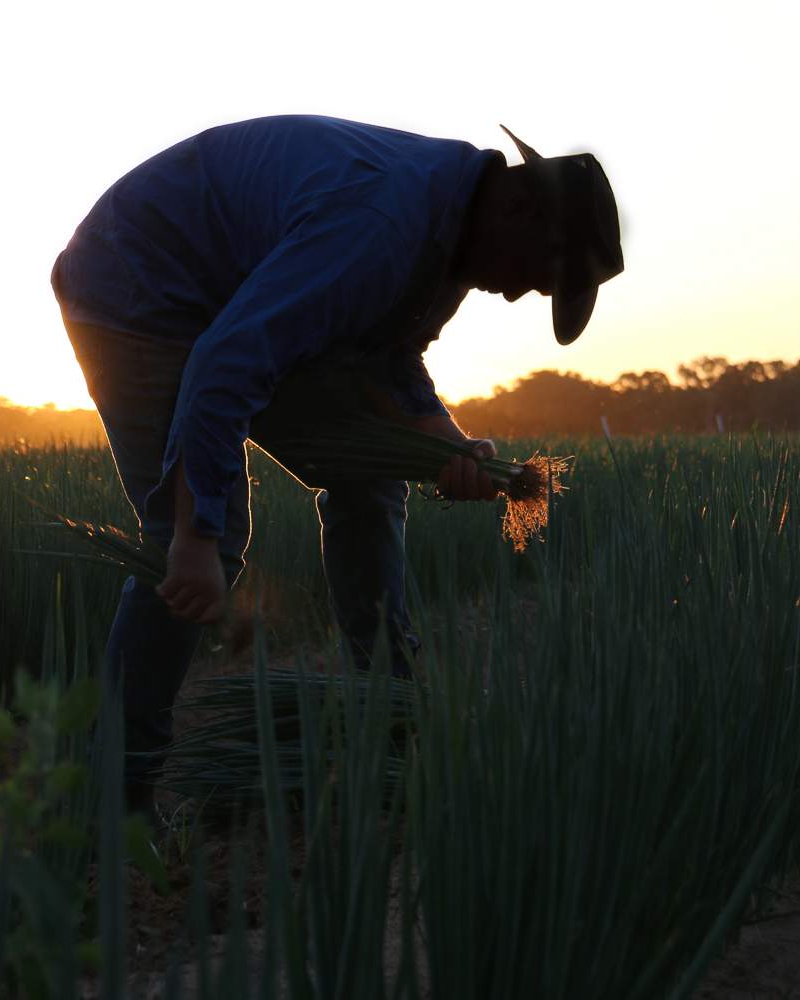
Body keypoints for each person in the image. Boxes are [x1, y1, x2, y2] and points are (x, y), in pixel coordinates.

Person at [50, 115, 623, 815]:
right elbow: (227, 363)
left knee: (373, 475)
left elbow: (388, 358)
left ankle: (391, 720)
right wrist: (193, 537)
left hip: (235, 297)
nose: (517, 294)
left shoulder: (448, 235)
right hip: (137, 283)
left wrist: (452, 446)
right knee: (203, 539)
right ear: (520, 209)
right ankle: (113, 801)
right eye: (539, 277)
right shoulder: (379, 225)